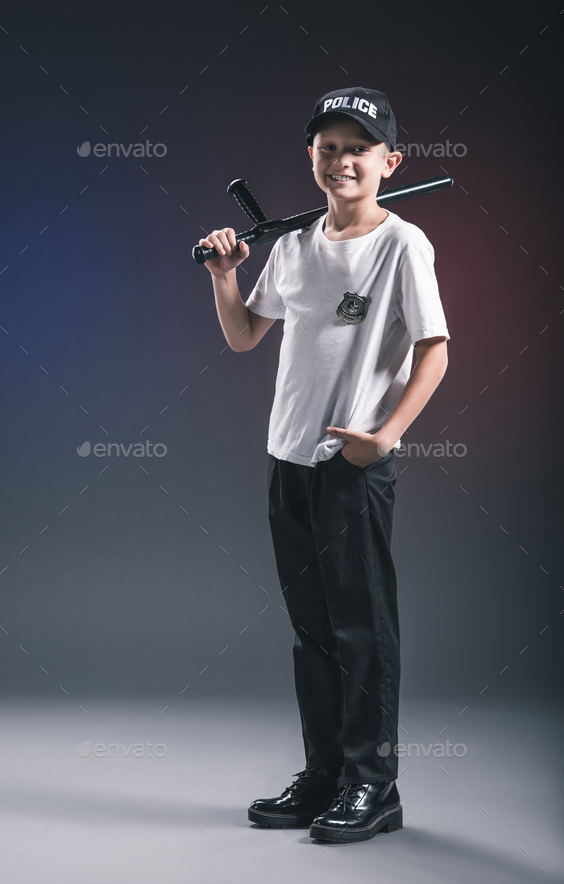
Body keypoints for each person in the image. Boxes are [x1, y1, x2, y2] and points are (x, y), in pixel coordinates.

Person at [198, 86, 450, 844]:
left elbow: (435, 349)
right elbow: (246, 336)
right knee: (312, 631)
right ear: (311, 156)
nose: (342, 160)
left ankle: (375, 787)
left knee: (362, 630)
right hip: (289, 462)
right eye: (328, 147)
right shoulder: (296, 247)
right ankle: (326, 774)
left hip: (352, 464)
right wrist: (223, 275)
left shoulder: (402, 243)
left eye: (359, 149)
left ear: (389, 162)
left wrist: (388, 436)